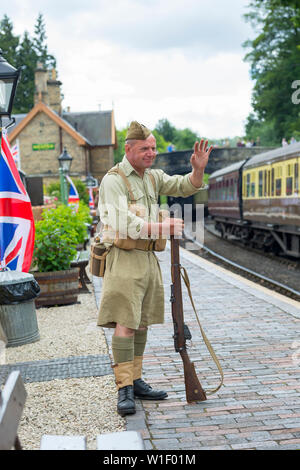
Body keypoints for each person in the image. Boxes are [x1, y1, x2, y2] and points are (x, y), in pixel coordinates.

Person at [97, 121, 212, 416]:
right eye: (144, 149)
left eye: (153, 148)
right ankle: (123, 388)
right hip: (124, 259)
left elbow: (185, 186)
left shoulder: (152, 177)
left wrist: (197, 169)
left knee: (143, 321)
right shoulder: (114, 180)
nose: (151, 153)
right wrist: (164, 226)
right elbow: (123, 223)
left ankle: (136, 380)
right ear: (128, 149)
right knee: (126, 322)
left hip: (149, 259)